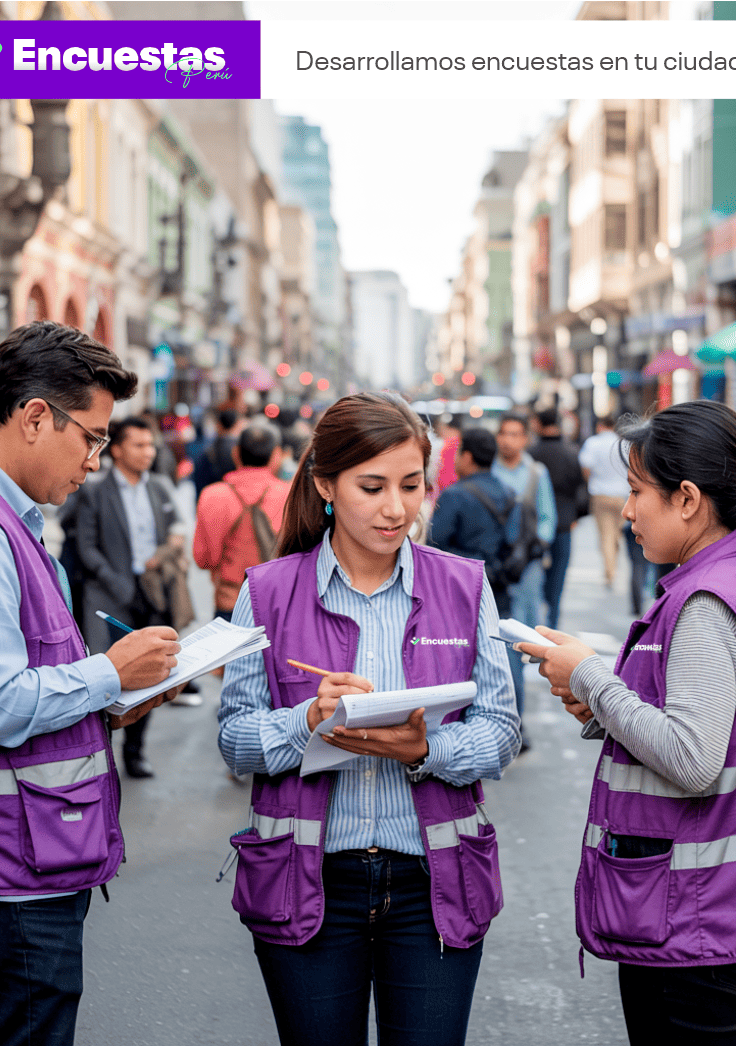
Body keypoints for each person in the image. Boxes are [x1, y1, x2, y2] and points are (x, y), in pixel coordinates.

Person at [218, 392, 520, 1047]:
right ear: (325, 484)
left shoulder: (463, 586)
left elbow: (500, 732)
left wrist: (423, 751)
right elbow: (235, 739)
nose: (395, 508)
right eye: (372, 486)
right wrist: (304, 721)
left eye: (411, 486)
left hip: (432, 879)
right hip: (309, 880)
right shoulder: (266, 591)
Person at [0, 321, 182, 1047]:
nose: (96, 461)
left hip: (13, 856)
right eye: (93, 438)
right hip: (3, 873)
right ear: (36, 416)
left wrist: (110, 701)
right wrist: (108, 672)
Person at [518, 400, 736, 1047]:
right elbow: (728, 728)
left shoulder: (706, 601)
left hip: (697, 920)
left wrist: (589, 677)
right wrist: (600, 708)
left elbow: (692, 758)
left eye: (636, 491)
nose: (626, 509)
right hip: (726, 912)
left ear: (686, 498)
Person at [76, 416, 191, 778]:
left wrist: (170, 546)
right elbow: (87, 547)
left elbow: (176, 526)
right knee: (108, 673)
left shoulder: (158, 487)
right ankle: (101, 754)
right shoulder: (95, 490)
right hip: (109, 596)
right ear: (119, 448)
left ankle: (135, 751)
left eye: (151, 445)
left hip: (152, 592)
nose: (148, 452)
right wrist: (116, 582)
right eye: (139, 445)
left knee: (151, 674)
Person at [492, 413, 556, 743]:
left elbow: (548, 517)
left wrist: (536, 547)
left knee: (518, 644)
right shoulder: (488, 471)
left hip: (526, 571)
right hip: (494, 568)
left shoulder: (535, 473)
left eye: (515, 434)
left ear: (524, 438)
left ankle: (516, 721)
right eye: (503, 433)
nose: (508, 440)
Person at [193, 420, 291, 623]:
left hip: (230, 605)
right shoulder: (291, 495)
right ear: (276, 456)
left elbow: (204, 560)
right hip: (278, 605)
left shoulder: (213, 495)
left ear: (236, 453)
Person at [428, 425, 517, 617]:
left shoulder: (454, 495)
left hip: (461, 589)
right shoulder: (509, 493)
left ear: (467, 457)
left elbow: (434, 545)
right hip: (499, 588)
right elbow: (515, 541)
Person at [529, 406, 585, 629]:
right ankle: (552, 622)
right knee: (558, 577)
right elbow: (581, 490)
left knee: (533, 575)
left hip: (534, 526)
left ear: (539, 424)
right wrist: (575, 516)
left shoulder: (531, 454)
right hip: (564, 523)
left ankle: (536, 621)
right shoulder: (571, 452)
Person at [579, 414, 630, 587]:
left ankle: (610, 571)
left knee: (606, 535)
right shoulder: (623, 444)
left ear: (600, 426)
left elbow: (586, 467)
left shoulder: (593, 443)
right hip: (622, 496)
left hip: (600, 494)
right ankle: (613, 564)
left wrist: (591, 481)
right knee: (616, 534)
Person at [192, 407, 242, 499]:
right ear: (237, 424)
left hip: (210, 497)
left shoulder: (207, 448)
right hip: (235, 499)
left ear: (219, 424)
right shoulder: (240, 449)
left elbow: (199, 479)